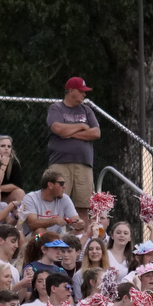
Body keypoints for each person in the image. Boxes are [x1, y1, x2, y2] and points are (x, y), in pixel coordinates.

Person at [46, 77, 100, 220]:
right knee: (56, 204)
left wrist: (69, 133)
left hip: (84, 164)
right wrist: (81, 126)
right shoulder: (56, 108)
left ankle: (81, 240)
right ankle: (55, 239)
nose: (84, 94)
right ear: (71, 91)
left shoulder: (86, 110)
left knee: (84, 206)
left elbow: (96, 132)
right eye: (81, 91)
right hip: (60, 163)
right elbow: (57, 128)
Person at [20, 169, 79, 236]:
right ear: (50, 185)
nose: (64, 187)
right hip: (34, 238)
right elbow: (32, 224)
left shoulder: (65, 198)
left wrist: (79, 224)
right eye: (61, 184)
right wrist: (54, 221)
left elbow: (75, 219)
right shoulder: (31, 198)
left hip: (57, 237)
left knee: (80, 232)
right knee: (41, 232)